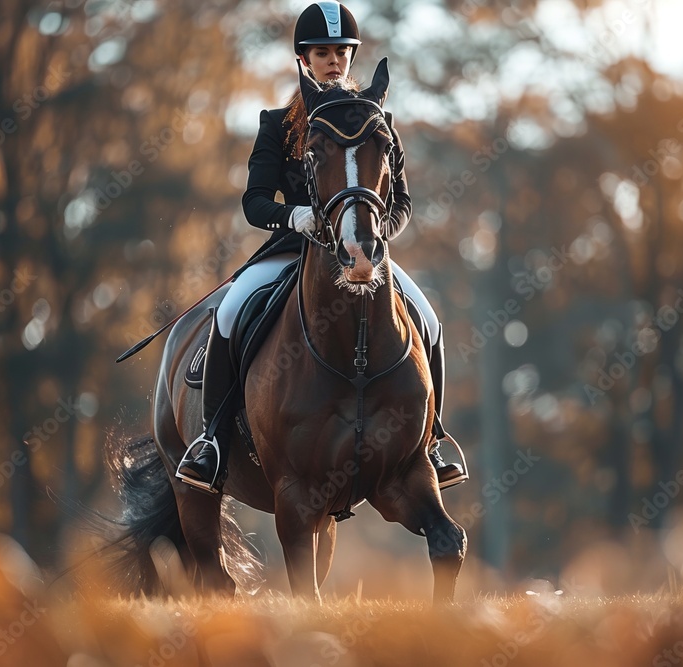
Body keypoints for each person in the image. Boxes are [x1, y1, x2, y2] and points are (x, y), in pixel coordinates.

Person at [176, 1, 468, 493]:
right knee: (227, 316)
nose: (333, 61)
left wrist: (377, 237)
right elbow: (253, 202)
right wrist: (297, 216)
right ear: (304, 59)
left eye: (341, 52)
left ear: (352, 58)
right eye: (322, 52)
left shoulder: (378, 121)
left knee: (430, 322)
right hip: (291, 251)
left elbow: (402, 202)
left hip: (365, 255)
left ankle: (433, 440)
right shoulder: (276, 123)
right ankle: (213, 442)